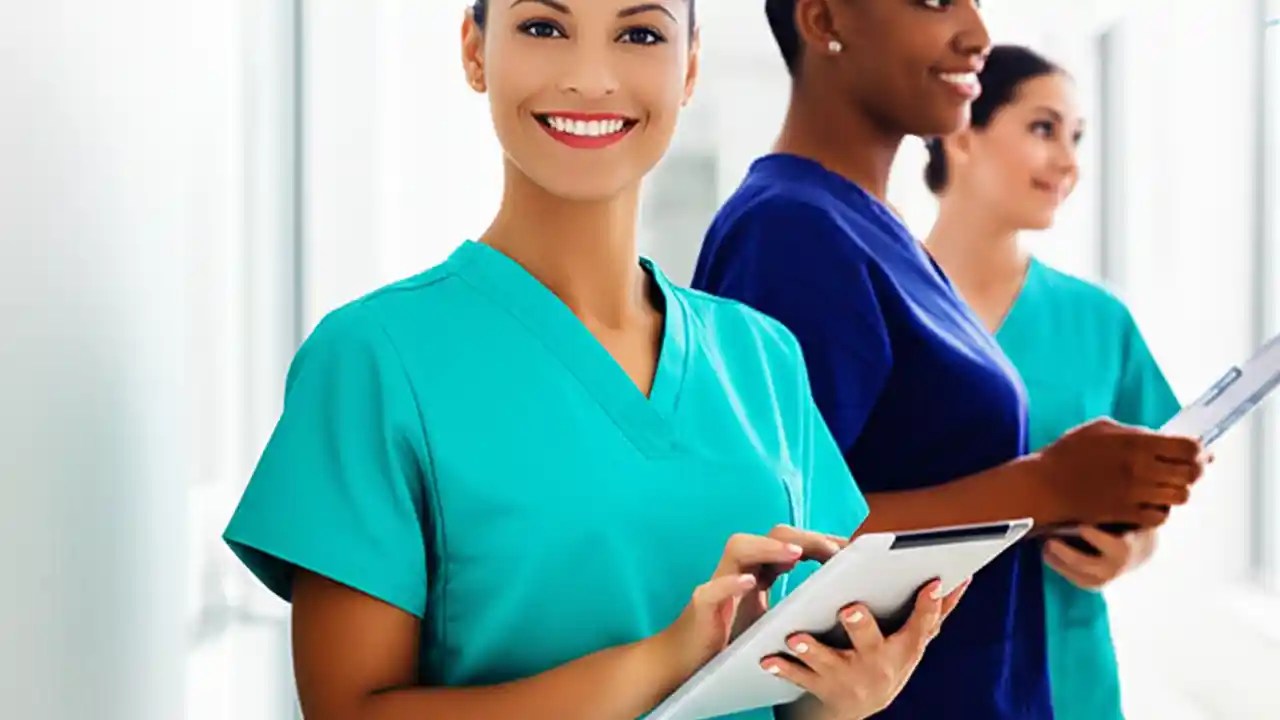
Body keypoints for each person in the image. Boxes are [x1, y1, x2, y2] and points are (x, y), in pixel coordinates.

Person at [222, 1, 965, 719]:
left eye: (639, 35)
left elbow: (786, 694)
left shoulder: (762, 356)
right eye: (544, 26)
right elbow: (347, 710)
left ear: (689, 67)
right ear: (476, 51)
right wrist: (662, 658)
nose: (591, 78)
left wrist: (843, 697)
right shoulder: (373, 360)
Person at [691, 2, 1207, 718]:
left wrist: (1082, 500)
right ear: (824, 20)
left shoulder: (873, 229)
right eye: (934, 0)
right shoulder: (791, 232)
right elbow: (779, 537)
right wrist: (1047, 487)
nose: (978, 35)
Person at [923, 44, 1183, 720]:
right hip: (914, 678)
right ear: (960, 132)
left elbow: (1147, 502)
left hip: (1068, 677)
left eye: (1077, 137)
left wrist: (1129, 550)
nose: (1069, 162)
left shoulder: (1099, 321)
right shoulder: (881, 305)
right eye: (1043, 128)